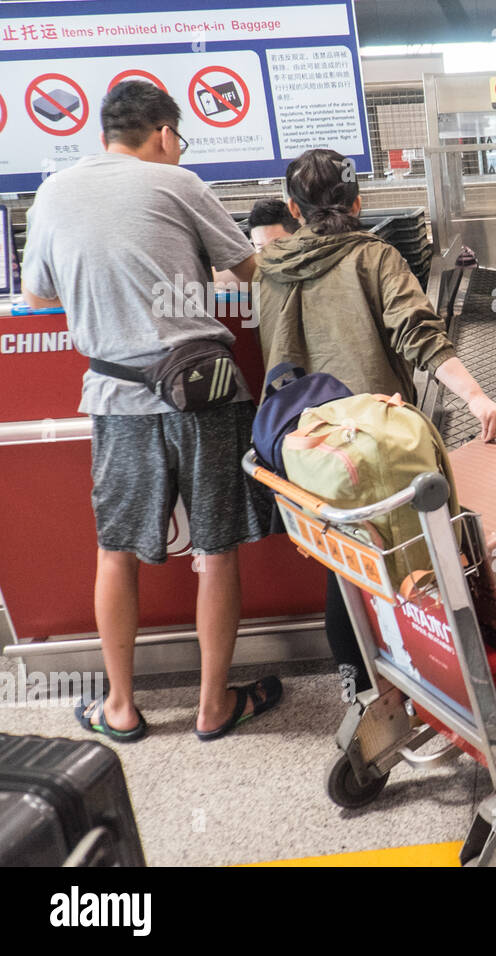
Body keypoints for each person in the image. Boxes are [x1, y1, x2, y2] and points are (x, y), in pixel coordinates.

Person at [21, 81, 282, 743]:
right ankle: (213, 707)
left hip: (116, 399)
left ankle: (120, 708)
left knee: (115, 554)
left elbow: (35, 294)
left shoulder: (51, 193)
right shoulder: (180, 182)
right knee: (215, 555)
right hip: (207, 394)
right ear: (163, 134)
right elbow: (253, 271)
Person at [255, 148, 496, 695]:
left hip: (303, 443)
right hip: (373, 441)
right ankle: (425, 677)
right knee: (402, 552)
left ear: (294, 212)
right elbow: (419, 334)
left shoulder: (269, 270)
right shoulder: (375, 258)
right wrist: (476, 397)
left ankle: (358, 678)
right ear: (358, 202)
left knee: (342, 557)